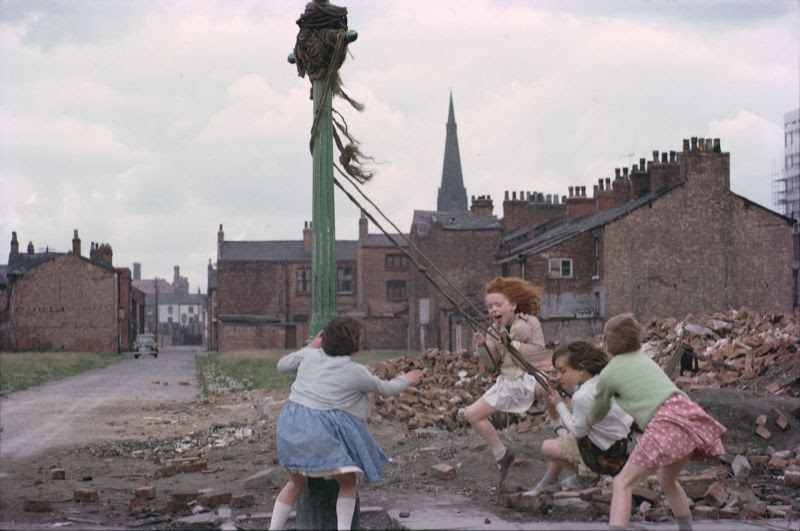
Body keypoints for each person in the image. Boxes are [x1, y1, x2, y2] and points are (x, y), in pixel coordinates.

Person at [268, 316, 424, 531]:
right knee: (348, 482)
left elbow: (282, 364)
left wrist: (310, 347)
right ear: (355, 345)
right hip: (320, 434)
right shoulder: (356, 371)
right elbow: (386, 389)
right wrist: (407, 378)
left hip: (290, 428)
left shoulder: (310, 356)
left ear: (323, 339)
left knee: (296, 484)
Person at [590, 313, 726, 531]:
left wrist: (589, 420)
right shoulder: (645, 360)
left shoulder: (609, 373)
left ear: (606, 345)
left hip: (663, 422)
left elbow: (599, 409)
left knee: (622, 483)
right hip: (687, 415)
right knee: (666, 480)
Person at [466, 276, 552, 487]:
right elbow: (492, 363)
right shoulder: (492, 331)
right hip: (508, 382)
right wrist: (482, 347)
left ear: (512, 304)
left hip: (530, 377)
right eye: (489, 306)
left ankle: (562, 429)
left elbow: (540, 354)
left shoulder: (531, 323)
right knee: (471, 414)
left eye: (498, 304)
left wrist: (513, 345)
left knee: (554, 390)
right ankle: (501, 455)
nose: (493, 309)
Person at [527, 340, 633, 496]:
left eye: (562, 372)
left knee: (547, 447)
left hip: (603, 454)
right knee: (564, 442)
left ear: (581, 369)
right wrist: (561, 384)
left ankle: (588, 476)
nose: (559, 376)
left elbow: (577, 431)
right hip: (619, 446)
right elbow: (583, 392)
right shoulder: (600, 378)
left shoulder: (581, 397)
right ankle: (549, 481)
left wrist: (559, 404)